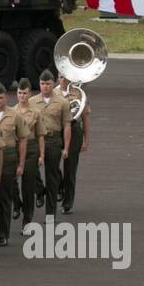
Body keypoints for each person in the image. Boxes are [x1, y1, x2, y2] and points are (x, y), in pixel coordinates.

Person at [0, 84, 29, 247]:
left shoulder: (15, 116)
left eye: (0, 98)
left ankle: (2, 234)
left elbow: (23, 141)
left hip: (9, 156)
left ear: (6, 98)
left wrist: (20, 164)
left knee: (5, 196)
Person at [34, 69, 72, 221]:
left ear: (53, 83)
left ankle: (50, 215)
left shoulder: (62, 102)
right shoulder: (32, 101)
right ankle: (39, 190)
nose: (45, 87)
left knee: (52, 176)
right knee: (30, 171)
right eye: (42, 84)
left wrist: (66, 148)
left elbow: (67, 125)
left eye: (48, 84)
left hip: (54, 140)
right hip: (36, 140)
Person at [56, 72, 90, 214]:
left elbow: (85, 118)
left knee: (70, 169)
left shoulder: (79, 93)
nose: (64, 80)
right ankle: (59, 187)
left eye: (66, 77)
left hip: (75, 130)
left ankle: (67, 203)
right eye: (61, 77)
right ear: (57, 78)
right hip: (57, 130)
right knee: (53, 165)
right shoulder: (53, 92)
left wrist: (86, 140)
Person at [13, 78, 45, 228]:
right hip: (14, 148)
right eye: (20, 93)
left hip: (31, 148)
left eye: (25, 93)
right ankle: (17, 203)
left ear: (29, 94)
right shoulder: (12, 112)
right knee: (11, 183)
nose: (22, 96)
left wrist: (41, 155)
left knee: (28, 186)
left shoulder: (36, 112)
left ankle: (27, 220)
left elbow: (40, 135)